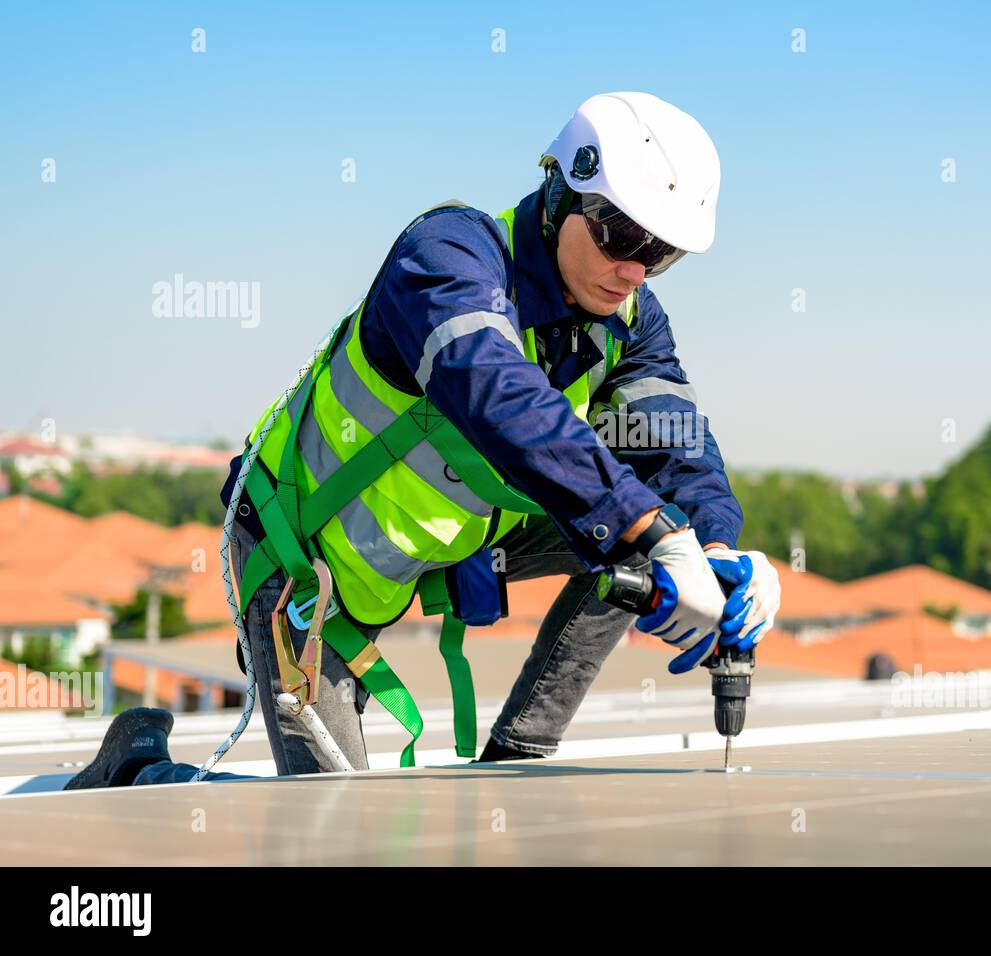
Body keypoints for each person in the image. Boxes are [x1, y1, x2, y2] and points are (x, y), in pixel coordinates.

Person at [66, 92, 781, 790]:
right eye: (622, 238)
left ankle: (517, 760)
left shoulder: (631, 316)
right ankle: (135, 767)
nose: (635, 270)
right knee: (327, 817)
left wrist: (715, 549)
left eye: (662, 253)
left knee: (652, 543)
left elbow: (675, 444)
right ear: (562, 193)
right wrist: (655, 528)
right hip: (302, 553)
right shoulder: (448, 254)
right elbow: (494, 393)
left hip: (447, 539)